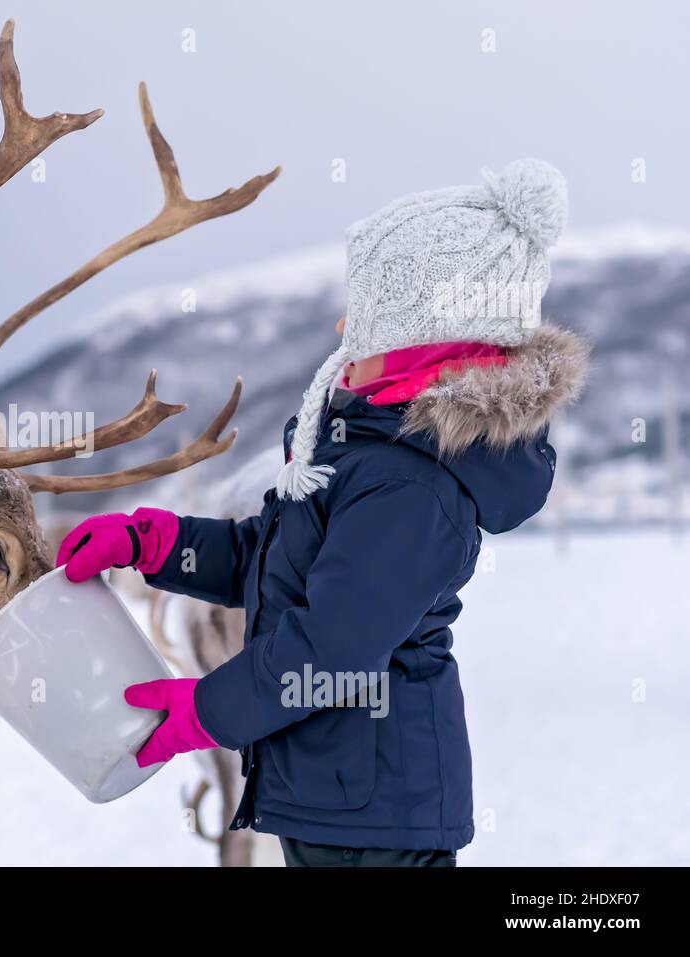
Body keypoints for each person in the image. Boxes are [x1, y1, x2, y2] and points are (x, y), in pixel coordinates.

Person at [58, 159, 589, 867]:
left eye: (366, 316)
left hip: (378, 820)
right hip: (338, 797)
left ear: (420, 344)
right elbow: (268, 559)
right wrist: (154, 544)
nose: (344, 326)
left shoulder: (412, 488)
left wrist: (203, 709)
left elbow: (329, 649)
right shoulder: (364, 453)